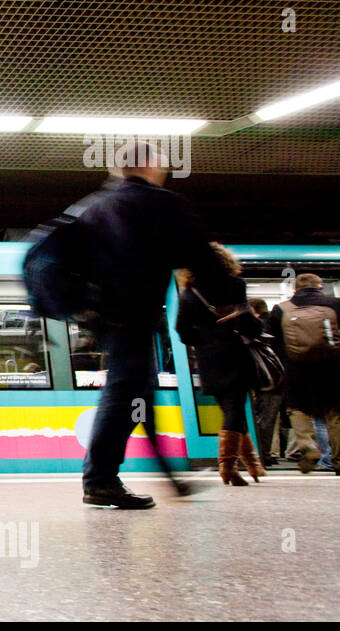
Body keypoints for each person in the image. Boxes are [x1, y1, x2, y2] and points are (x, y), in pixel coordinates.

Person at [70, 144, 233, 508]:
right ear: (148, 165)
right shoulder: (160, 203)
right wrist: (226, 293)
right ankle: (100, 480)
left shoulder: (93, 207)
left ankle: (166, 477)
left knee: (138, 392)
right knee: (126, 390)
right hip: (133, 314)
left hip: (103, 316)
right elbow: (202, 256)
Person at [175, 244, 266, 486]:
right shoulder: (235, 285)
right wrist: (248, 330)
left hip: (209, 359)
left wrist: (205, 342)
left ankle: (253, 465)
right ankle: (227, 467)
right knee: (235, 408)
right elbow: (248, 322)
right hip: (235, 352)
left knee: (230, 409)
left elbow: (181, 331)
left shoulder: (189, 293)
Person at [268, 273, 340, 474]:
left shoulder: (281, 309)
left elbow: (273, 342)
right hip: (333, 368)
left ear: (295, 289)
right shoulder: (335, 304)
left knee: (298, 410)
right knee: (335, 414)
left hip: (296, 369)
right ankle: (339, 460)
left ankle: (308, 446)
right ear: (320, 286)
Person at [246, 298, 282, 466]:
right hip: (276, 377)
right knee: (269, 418)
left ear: (253, 309)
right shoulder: (277, 322)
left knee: (262, 418)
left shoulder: (257, 327)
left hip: (263, 378)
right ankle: (266, 453)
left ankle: (261, 454)